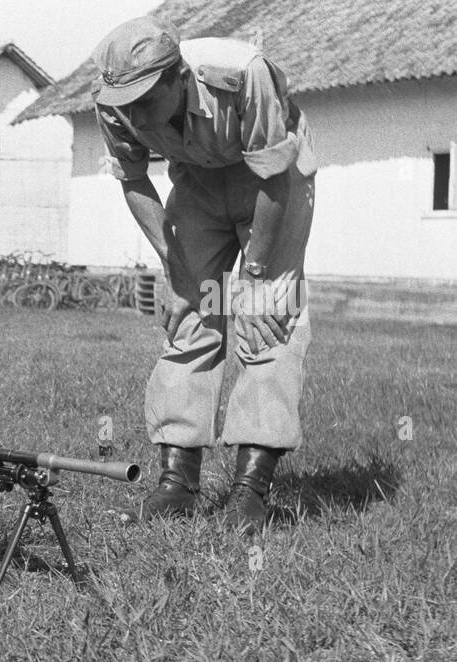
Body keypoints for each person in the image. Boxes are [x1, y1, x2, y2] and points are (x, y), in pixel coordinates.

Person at [91, 17, 317, 533]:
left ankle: (250, 491)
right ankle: (177, 486)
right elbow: (132, 181)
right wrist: (174, 269)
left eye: (147, 100)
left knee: (269, 321)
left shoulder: (241, 73)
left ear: (180, 77)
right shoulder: (112, 100)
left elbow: (274, 179)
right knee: (189, 315)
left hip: (272, 179)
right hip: (197, 178)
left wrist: (255, 277)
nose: (134, 113)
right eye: (125, 102)